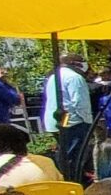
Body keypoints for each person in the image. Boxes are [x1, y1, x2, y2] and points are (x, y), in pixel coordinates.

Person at [38, 47, 96, 182]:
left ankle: (65, 178)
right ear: (75, 63)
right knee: (75, 155)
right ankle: (75, 181)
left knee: (64, 153)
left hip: (56, 121)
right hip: (73, 121)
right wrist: (88, 122)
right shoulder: (75, 77)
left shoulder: (53, 76)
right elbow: (80, 103)